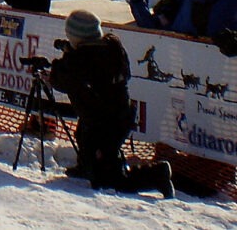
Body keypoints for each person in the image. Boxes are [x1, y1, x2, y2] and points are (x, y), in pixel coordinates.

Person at [47, 10, 174, 197]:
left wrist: (65, 58)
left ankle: (156, 175)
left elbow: (59, 80)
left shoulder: (79, 60)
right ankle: (87, 166)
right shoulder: (112, 46)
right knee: (84, 134)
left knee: (109, 180)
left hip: (106, 121)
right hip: (116, 113)